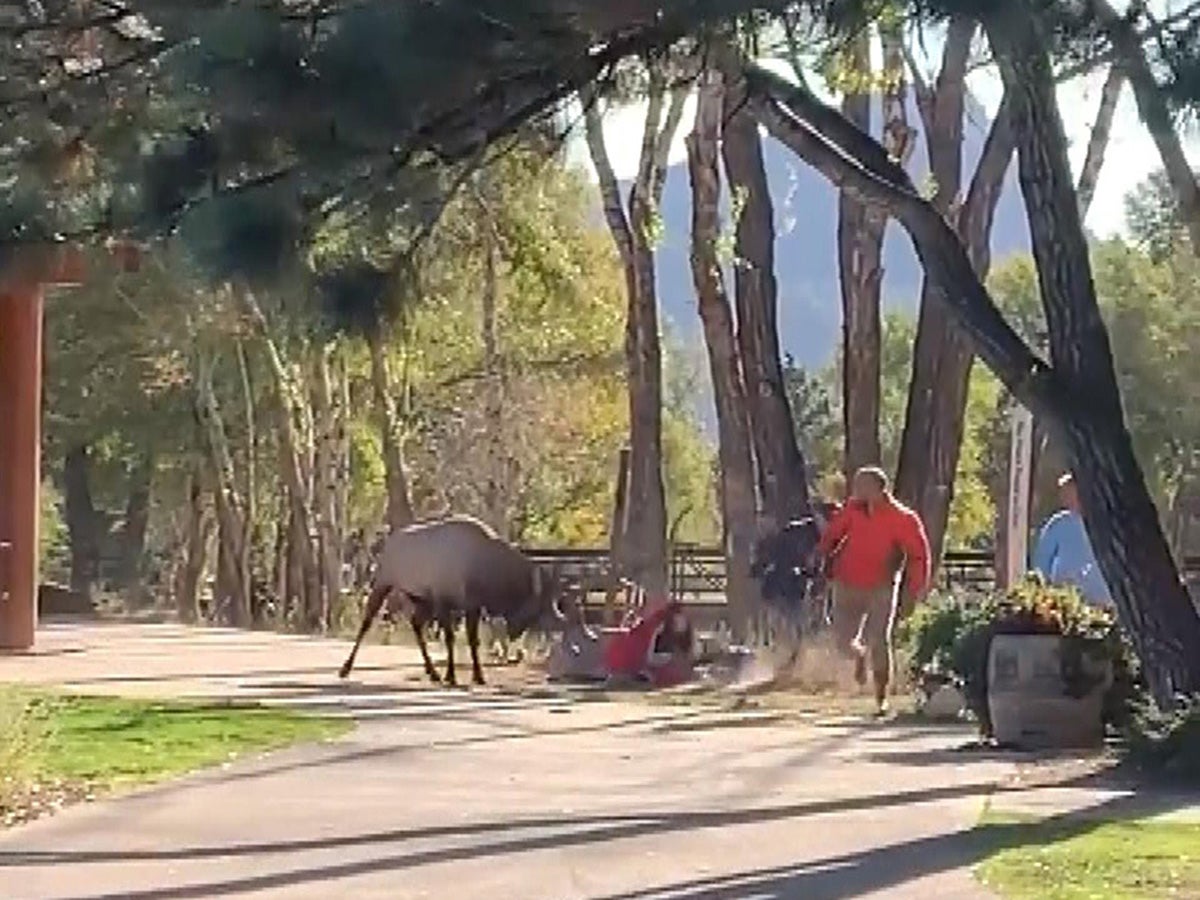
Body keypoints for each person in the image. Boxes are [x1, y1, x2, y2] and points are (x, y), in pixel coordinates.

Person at [814, 466, 931, 716]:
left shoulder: (903, 518)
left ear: (879, 489)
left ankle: (881, 698)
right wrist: (821, 555)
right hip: (847, 582)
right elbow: (833, 535)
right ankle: (859, 654)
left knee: (880, 639)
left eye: (861, 485)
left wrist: (916, 587)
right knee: (842, 642)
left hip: (881, 586)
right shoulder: (853, 510)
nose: (855, 490)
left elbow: (919, 555)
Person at [1031, 472, 1113, 609]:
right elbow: (1042, 562)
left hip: (1103, 603)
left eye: (1070, 492)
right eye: (1064, 493)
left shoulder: (1105, 523)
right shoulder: (1058, 523)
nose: (1066, 497)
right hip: (1065, 603)